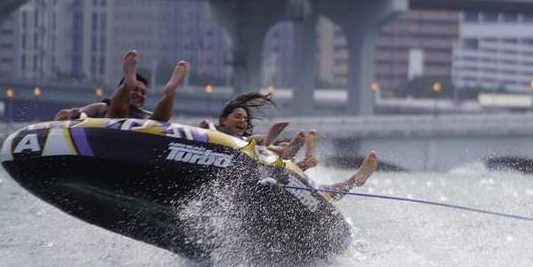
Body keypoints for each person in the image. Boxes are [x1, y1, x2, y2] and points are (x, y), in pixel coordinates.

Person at [211, 92, 375, 194]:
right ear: (224, 120)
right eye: (237, 117)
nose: (243, 121)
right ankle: (303, 158)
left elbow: (258, 142)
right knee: (268, 148)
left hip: (264, 174)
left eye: (246, 119)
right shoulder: (214, 134)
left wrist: (269, 138)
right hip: (252, 167)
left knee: (325, 192)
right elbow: (205, 126)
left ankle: (354, 179)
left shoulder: (248, 139)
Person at [55, 50, 189, 123]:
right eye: (135, 90)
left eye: (143, 92)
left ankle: (170, 93)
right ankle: (128, 85)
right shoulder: (102, 106)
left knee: (158, 120)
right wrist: (78, 114)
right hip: (107, 132)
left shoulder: (144, 115)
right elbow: (63, 115)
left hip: (140, 138)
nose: (140, 94)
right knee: (118, 114)